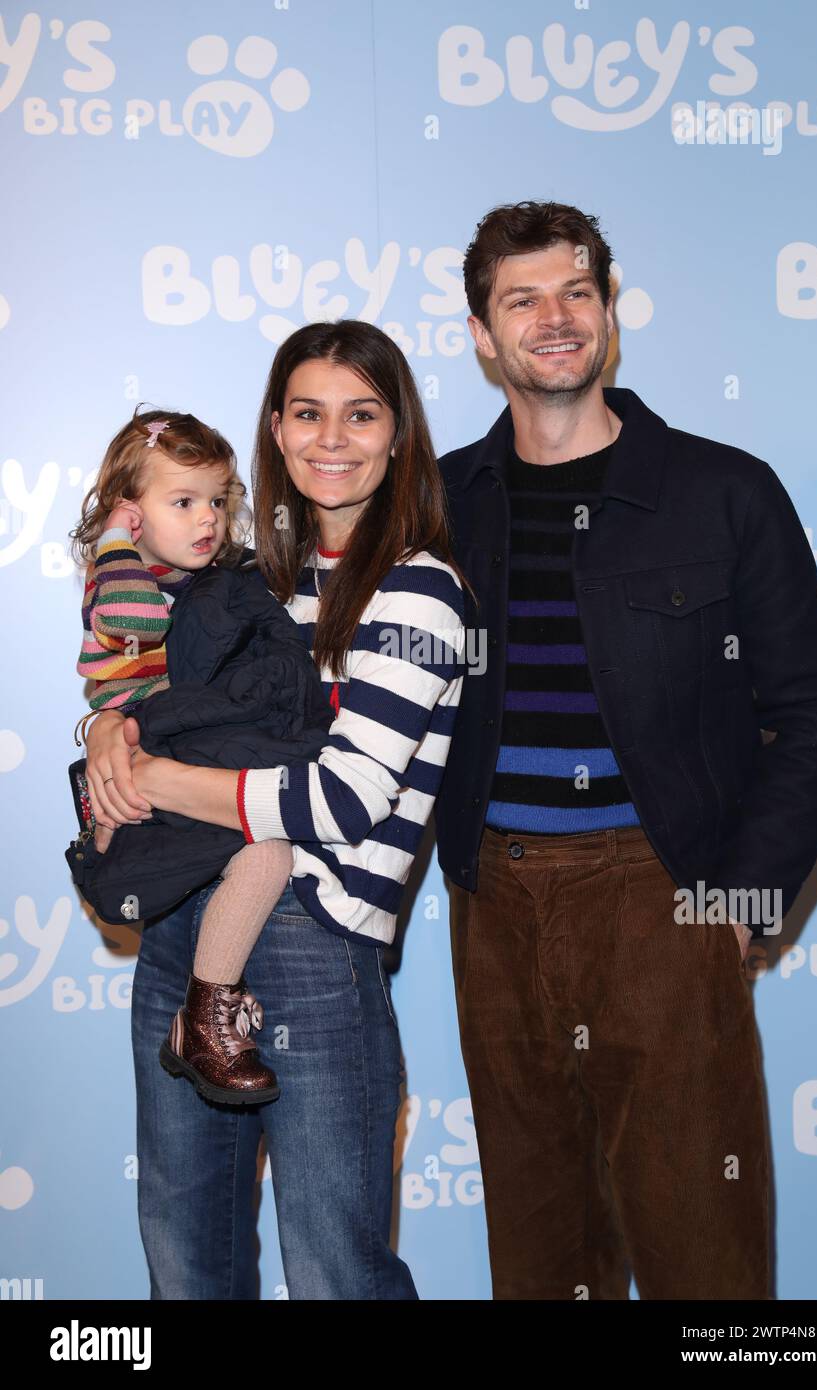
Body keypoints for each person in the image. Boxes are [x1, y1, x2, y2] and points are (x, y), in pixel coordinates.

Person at [433, 199, 817, 1300]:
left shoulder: (721, 491)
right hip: (495, 908)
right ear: (482, 335)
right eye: (520, 299)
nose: (554, 317)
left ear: (609, 315)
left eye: (577, 291)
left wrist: (742, 900)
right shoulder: (441, 506)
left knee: (702, 1257)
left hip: (661, 901)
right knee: (540, 1263)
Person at [82, 319, 468, 1299]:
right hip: (183, 927)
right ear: (275, 427)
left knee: (334, 1269)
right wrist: (105, 736)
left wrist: (155, 778)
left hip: (315, 939)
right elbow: (146, 699)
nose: (330, 438)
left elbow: (338, 797)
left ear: (396, 435)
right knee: (185, 1259)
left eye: (360, 413)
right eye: (307, 413)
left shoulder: (419, 594)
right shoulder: (240, 582)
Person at [70, 407, 334, 1105]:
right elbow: (133, 625)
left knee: (267, 853)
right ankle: (205, 1013)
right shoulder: (124, 580)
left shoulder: (219, 582)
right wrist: (115, 542)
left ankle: (208, 1012)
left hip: (174, 771)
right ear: (131, 511)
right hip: (138, 780)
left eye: (217, 500)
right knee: (255, 851)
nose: (207, 519)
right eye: (182, 502)